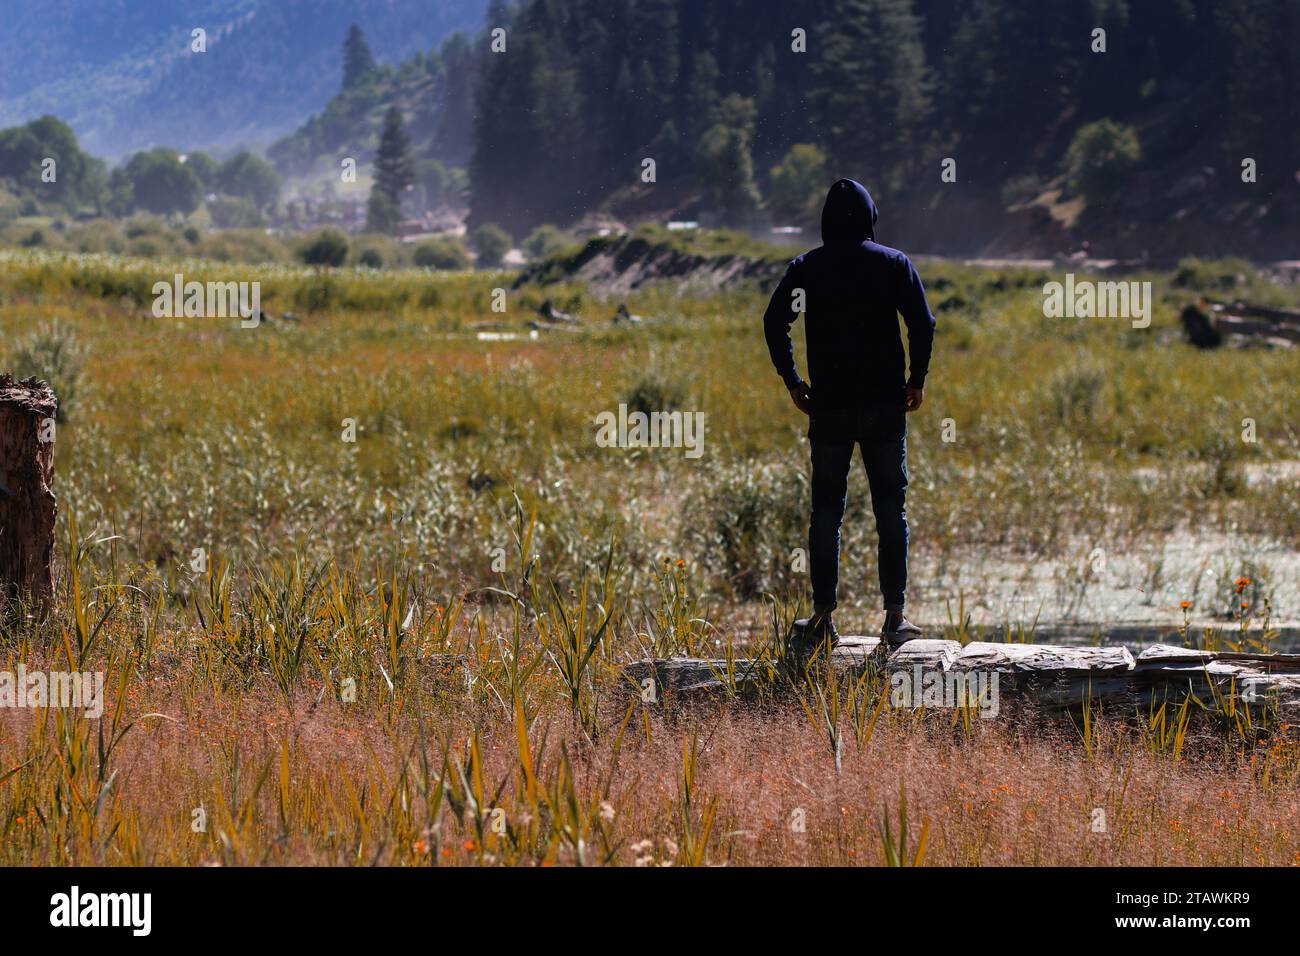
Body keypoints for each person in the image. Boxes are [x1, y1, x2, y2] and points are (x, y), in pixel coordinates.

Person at [763, 178, 936, 646]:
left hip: (830, 411)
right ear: (869, 217)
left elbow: (773, 321)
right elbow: (922, 322)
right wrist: (916, 380)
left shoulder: (807, 268)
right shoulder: (894, 264)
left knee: (826, 514)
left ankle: (823, 619)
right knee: (890, 511)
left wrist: (793, 381)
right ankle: (895, 618)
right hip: (884, 407)